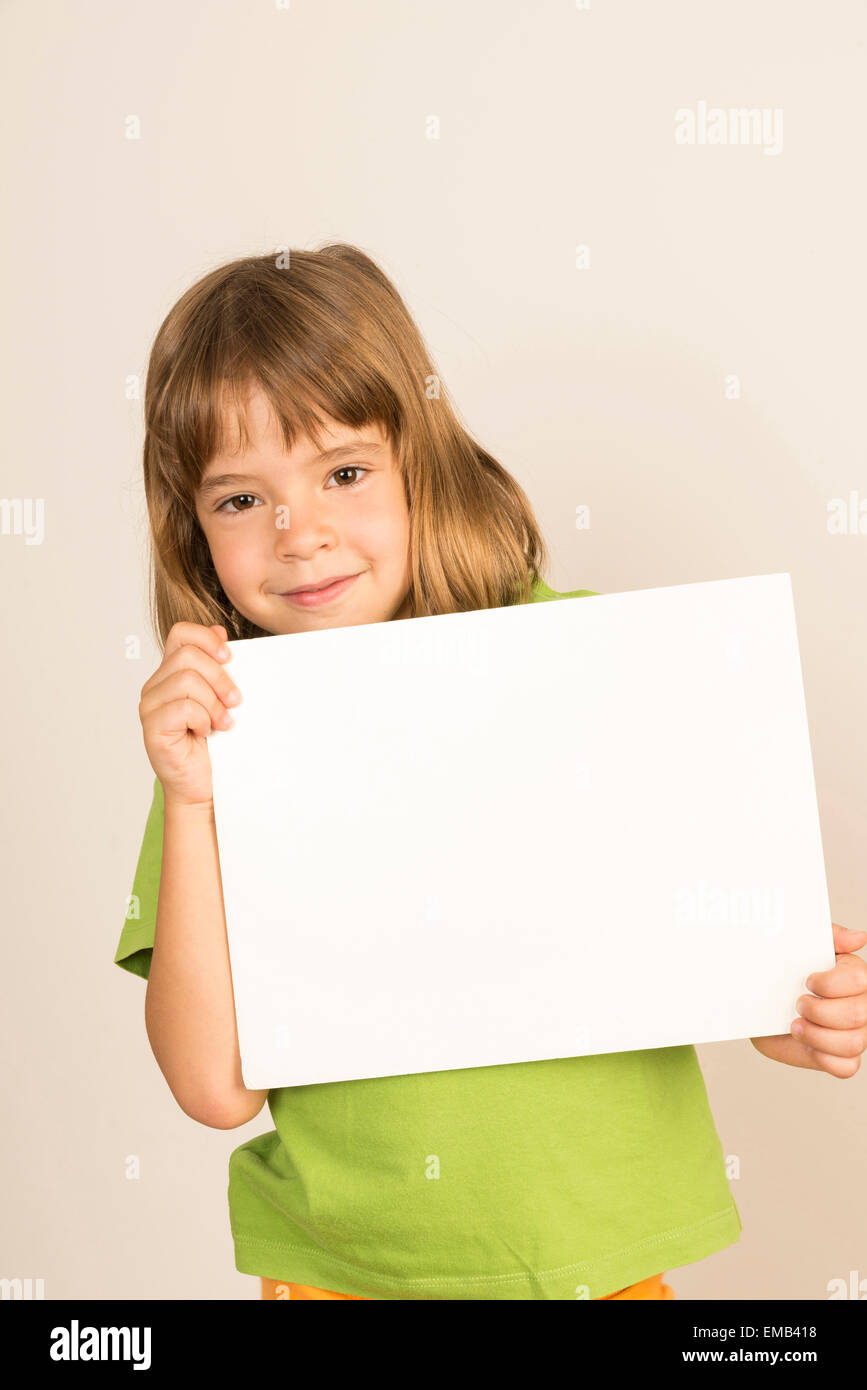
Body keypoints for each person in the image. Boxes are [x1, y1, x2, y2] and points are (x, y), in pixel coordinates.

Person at [113, 243, 866, 1301]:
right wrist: (190, 799)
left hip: (597, 1268)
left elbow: (709, 952)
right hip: (343, 1276)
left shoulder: (592, 665)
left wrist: (798, 1007)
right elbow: (213, 1087)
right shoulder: (221, 740)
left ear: (421, 460)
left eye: (343, 472)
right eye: (241, 500)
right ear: (192, 527)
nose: (300, 535)